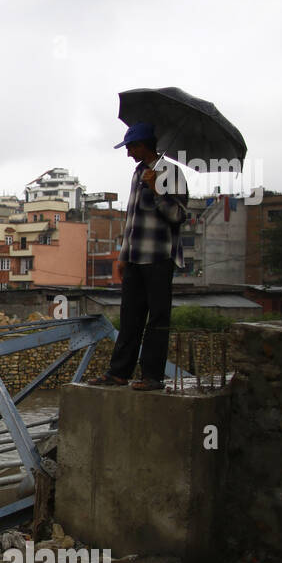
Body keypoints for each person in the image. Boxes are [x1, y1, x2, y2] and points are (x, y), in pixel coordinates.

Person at [90, 121, 188, 391]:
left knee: (157, 318)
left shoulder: (170, 172)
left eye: (131, 147)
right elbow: (131, 220)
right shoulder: (138, 173)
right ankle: (119, 372)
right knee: (130, 315)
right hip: (134, 258)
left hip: (158, 257)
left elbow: (179, 215)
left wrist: (157, 190)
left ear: (143, 145)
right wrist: (122, 255)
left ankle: (152, 376)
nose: (128, 153)